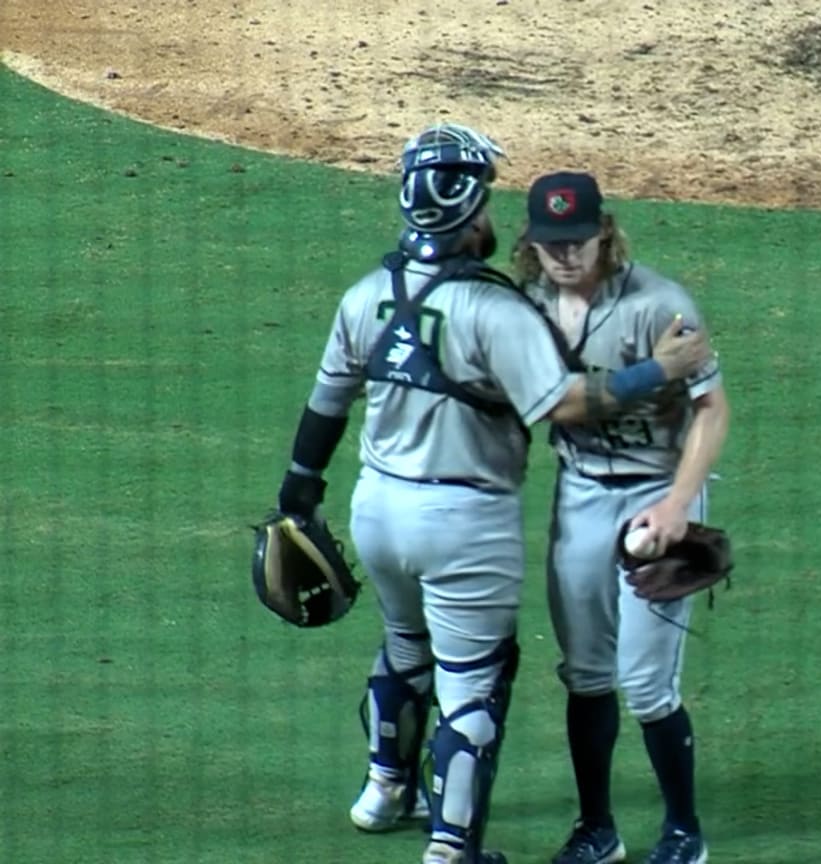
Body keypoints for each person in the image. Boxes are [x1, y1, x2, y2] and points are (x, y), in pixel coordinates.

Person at [272, 126, 713, 864]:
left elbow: (325, 406)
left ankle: (385, 789)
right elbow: (567, 404)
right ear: (471, 208)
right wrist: (656, 370)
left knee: (404, 648)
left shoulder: (364, 295)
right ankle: (452, 847)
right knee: (472, 681)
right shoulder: (498, 310)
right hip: (463, 523)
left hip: (376, 507)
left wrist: (298, 495)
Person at [512, 171, 730, 864]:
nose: (565, 255)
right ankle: (596, 828)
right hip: (578, 496)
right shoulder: (524, 309)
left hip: (657, 494)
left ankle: (684, 832)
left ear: (604, 231)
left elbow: (712, 409)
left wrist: (676, 503)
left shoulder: (661, 303)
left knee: (645, 680)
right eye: (552, 244)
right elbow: (550, 406)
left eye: (578, 240)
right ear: (532, 243)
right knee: (584, 671)